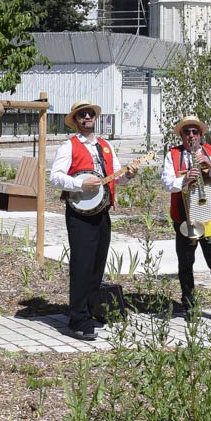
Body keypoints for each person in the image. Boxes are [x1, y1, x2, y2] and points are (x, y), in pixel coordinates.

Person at [50, 101, 139, 341]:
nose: (87, 117)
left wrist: (128, 175)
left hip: (102, 211)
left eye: (90, 114)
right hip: (80, 214)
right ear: (76, 120)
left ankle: (88, 312)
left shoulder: (106, 146)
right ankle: (78, 319)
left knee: (97, 265)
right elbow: (55, 177)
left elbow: (116, 177)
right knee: (82, 266)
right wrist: (80, 184)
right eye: (82, 115)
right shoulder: (68, 146)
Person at [161, 116, 211, 319]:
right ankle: (190, 308)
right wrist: (184, 179)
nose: (191, 136)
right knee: (186, 263)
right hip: (185, 217)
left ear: (201, 134)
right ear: (182, 135)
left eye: (195, 132)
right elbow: (167, 182)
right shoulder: (173, 155)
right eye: (187, 132)